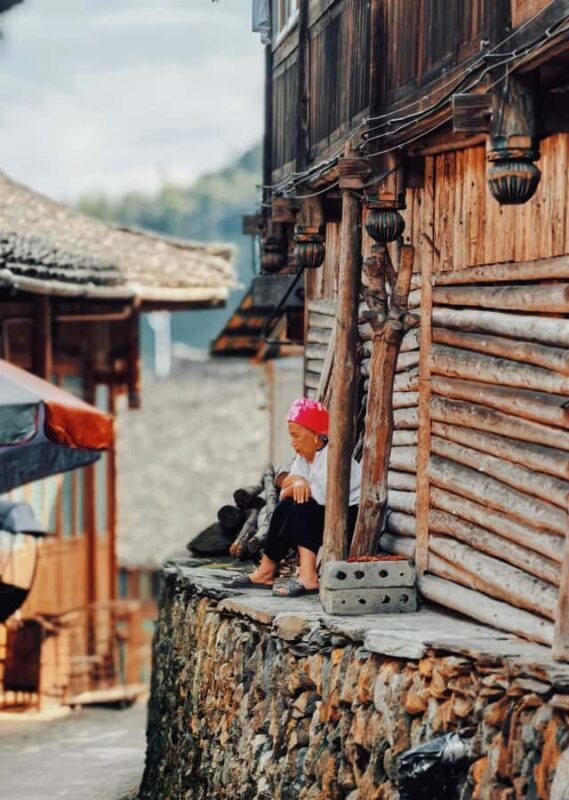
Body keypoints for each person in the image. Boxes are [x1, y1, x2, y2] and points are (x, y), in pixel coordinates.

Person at [226, 397, 361, 597]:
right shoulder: (303, 459)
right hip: (323, 514)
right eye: (291, 436)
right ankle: (265, 572)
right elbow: (284, 495)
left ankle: (308, 577)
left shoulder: (333, 458)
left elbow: (315, 498)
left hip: (349, 520)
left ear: (316, 436)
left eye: (296, 435)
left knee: (301, 505)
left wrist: (296, 484)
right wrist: (296, 482)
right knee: (285, 507)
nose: (293, 442)